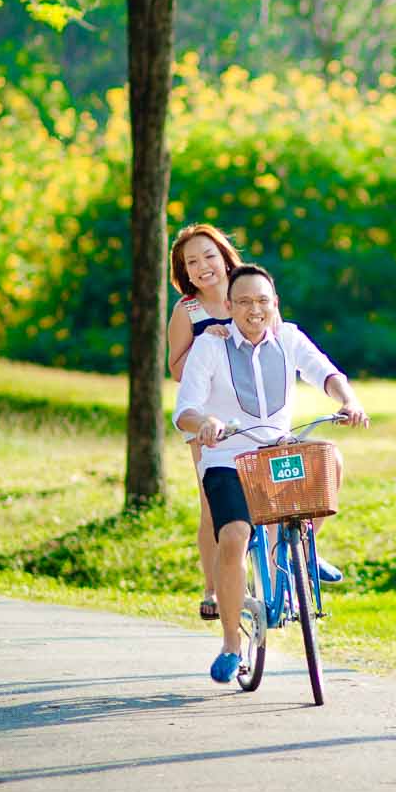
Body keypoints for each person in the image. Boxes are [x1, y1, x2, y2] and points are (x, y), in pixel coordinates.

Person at [173, 263, 368, 684]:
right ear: (228, 306)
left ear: (274, 304)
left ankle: (301, 546)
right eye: (243, 302)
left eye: (262, 301)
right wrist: (204, 423)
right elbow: (184, 409)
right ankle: (230, 643)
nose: (254, 310)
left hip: (277, 453)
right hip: (228, 456)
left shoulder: (290, 338)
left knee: (330, 459)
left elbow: (327, 374)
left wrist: (348, 400)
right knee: (234, 536)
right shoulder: (210, 346)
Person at [166, 223, 240, 621]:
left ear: (224, 255)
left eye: (209, 255)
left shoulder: (250, 290)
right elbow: (176, 369)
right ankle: (212, 588)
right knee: (212, 506)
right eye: (191, 262)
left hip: (255, 416)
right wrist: (203, 342)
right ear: (185, 272)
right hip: (206, 422)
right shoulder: (187, 310)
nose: (203, 266)